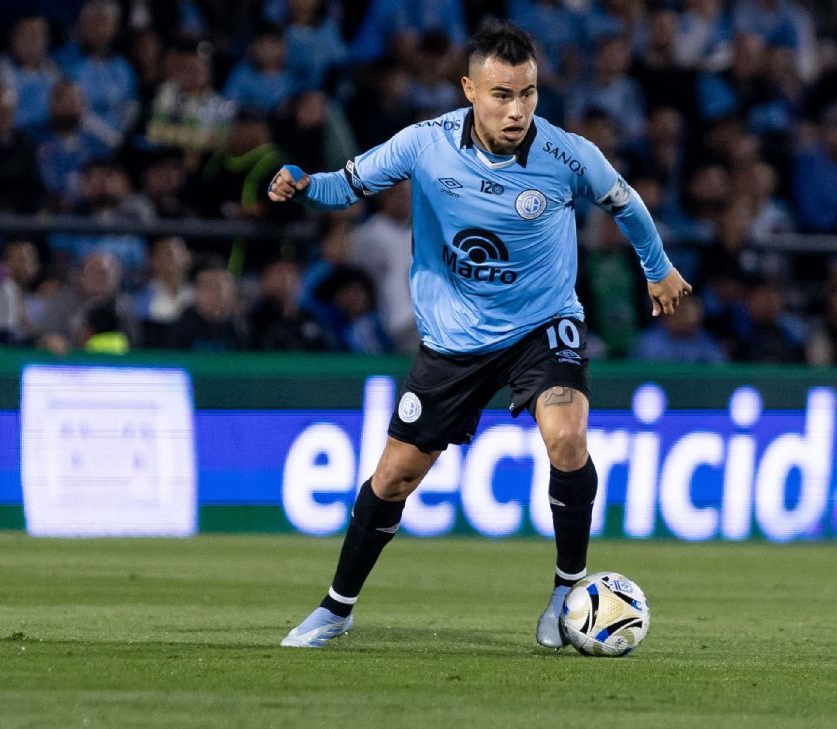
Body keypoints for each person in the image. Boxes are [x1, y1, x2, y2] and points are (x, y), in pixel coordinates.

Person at [267, 20, 691, 650]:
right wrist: (301, 183)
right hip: (453, 341)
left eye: (528, 94)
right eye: (501, 95)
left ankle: (565, 593)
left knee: (567, 437)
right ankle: (337, 607)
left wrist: (659, 269)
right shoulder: (423, 144)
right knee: (393, 480)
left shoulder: (568, 154)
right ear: (469, 88)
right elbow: (346, 185)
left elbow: (624, 203)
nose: (517, 110)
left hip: (542, 325)